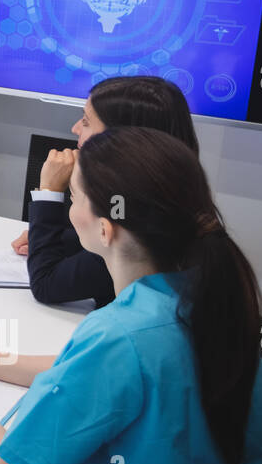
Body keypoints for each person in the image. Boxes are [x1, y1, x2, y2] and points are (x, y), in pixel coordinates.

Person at [0, 127, 262, 464]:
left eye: (74, 197)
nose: (69, 208)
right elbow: (97, 371)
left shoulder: (118, 335)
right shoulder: (208, 296)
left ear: (104, 228)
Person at [10, 76, 200, 308]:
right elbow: (94, 243)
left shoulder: (136, 228)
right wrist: (46, 238)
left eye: (86, 122)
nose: (75, 128)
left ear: (122, 139)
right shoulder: (161, 198)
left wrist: (49, 191)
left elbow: (46, 285)